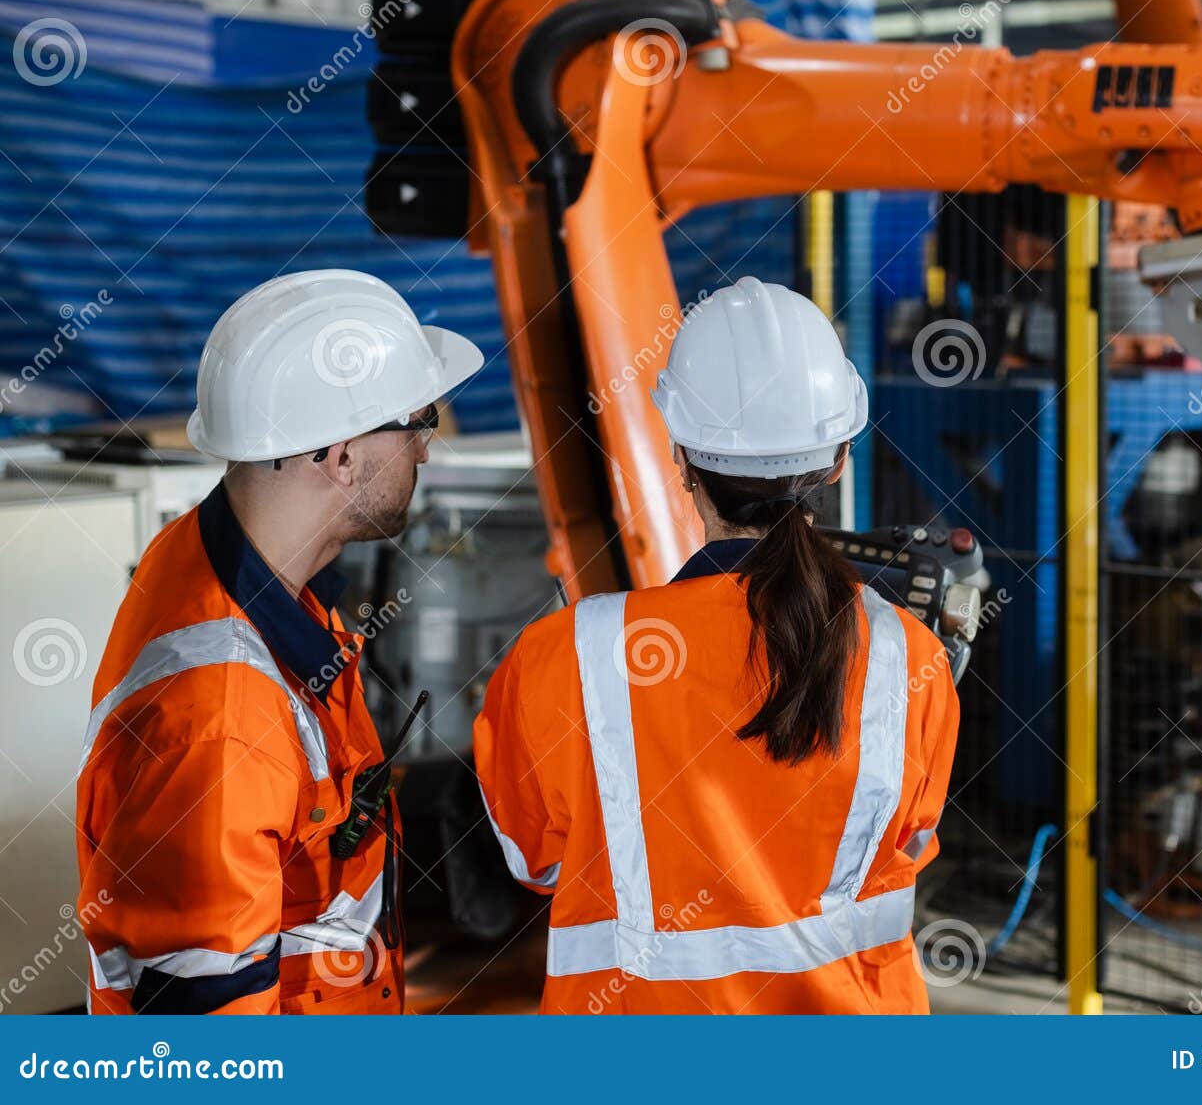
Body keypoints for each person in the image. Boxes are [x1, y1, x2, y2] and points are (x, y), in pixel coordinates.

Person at [474, 277, 961, 1014]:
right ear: (838, 459)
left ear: (680, 458)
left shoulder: (561, 659)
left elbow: (533, 860)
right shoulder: (911, 657)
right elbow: (912, 846)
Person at [75, 269, 482, 1014]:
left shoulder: (226, 561)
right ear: (341, 456)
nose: (426, 450)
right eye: (417, 421)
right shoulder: (219, 720)